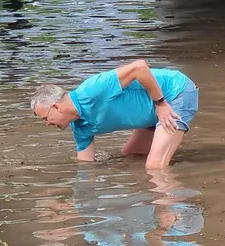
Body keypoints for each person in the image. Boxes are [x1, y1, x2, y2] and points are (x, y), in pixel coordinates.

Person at [29, 59, 199, 169]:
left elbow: (140, 67)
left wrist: (160, 103)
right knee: (132, 155)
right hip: (151, 111)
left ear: (56, 107)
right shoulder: (80, 128)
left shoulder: (92, 90)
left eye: (46, 118)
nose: (47, 124)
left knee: (154, 167)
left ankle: (174, 212)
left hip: (174, 93)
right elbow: (86, 166)